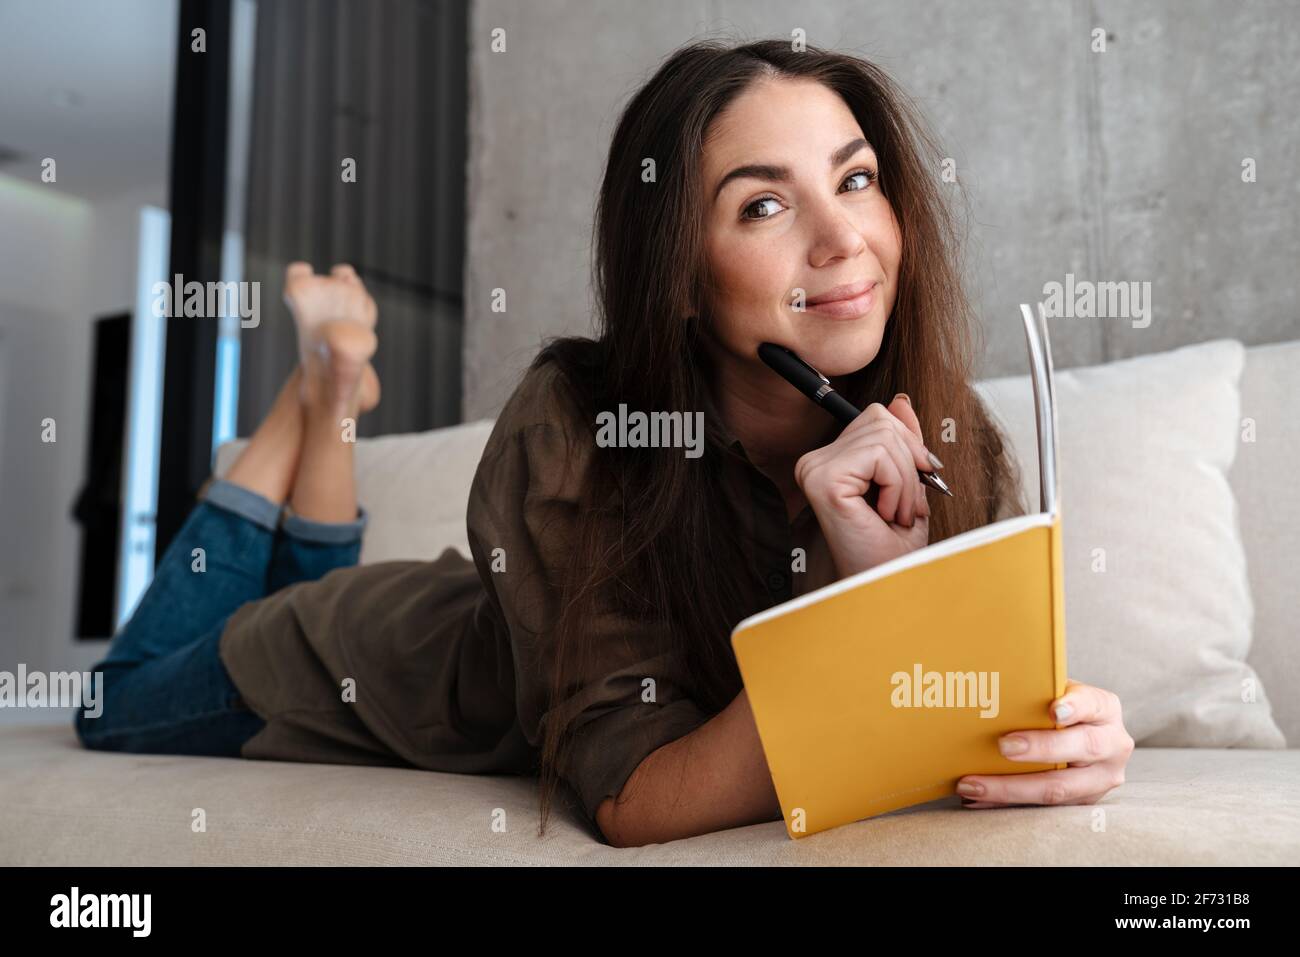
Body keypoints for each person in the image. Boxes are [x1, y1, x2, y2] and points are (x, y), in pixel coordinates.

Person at [76, 38, 1134, 848]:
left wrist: (1066, 740)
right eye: (764, 204)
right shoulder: (576, 423)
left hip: (463, 608)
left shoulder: (952, 435)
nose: (842, 235)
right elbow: (635, 798)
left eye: (856, 179)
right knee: (110, 703)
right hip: (335, 658)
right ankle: (308, 402)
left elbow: (951, 716)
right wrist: (873, 627)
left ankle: (330, 391)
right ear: (677, 271)